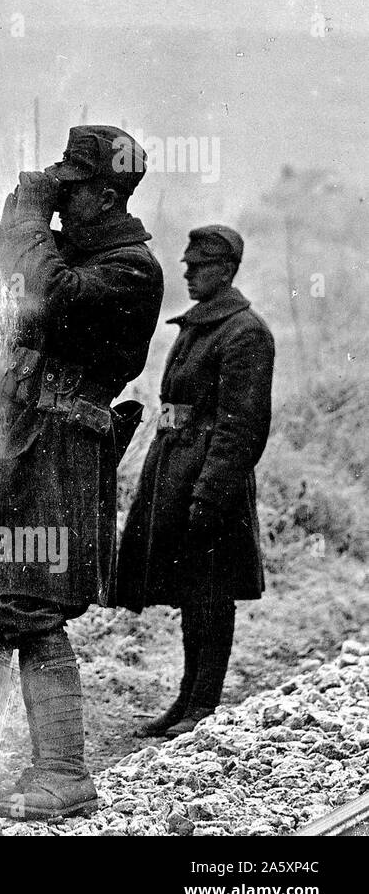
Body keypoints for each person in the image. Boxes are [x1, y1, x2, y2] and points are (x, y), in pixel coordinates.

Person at [0, 125, 164, 819]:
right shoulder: (81, 254)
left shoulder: (131, 270)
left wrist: (25, 217)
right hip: (23, 442)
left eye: (69, 192)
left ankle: (64, 772)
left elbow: (44, 291)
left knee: (33, 604)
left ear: (107, 195)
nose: (58, 203)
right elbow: (9, 286)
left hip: (60, 450)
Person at [116, 225, 275, 737]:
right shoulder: (198, 327)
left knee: (212, 592)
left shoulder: (245, 333)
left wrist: (209, 493)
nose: (185, 270)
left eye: (198, 264)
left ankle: (203, 705)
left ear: (225, 269)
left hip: (209, 482)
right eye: (186, 262)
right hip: (173, 471)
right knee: (191, 591)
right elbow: (176, 411)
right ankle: (186, 700)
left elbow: (240, 427)